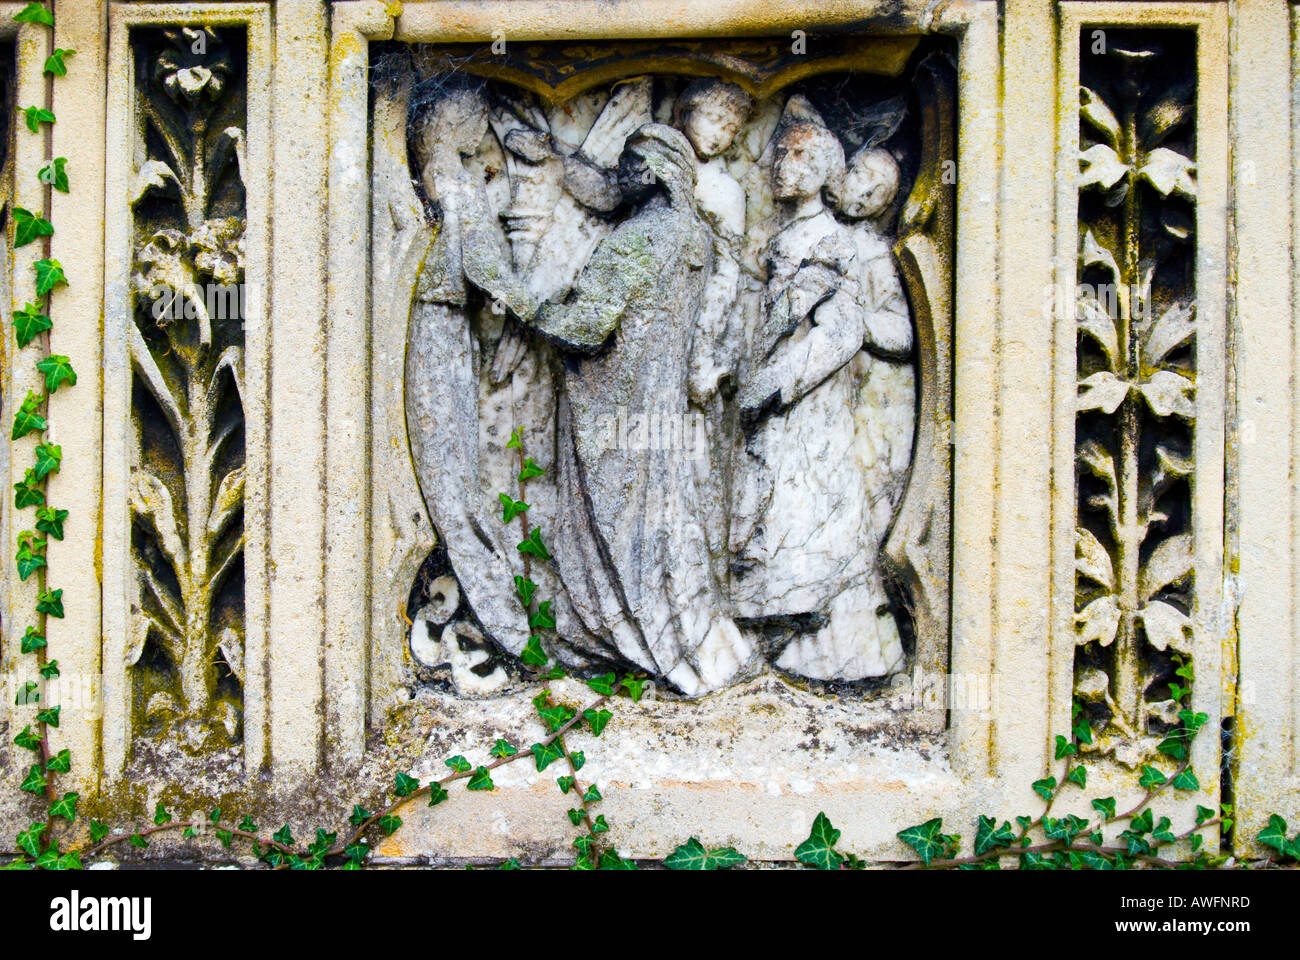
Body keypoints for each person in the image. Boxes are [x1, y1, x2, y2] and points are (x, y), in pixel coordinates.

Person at [521, 123, 750, 695]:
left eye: (628, 160)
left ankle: (624, 640)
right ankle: (691, 638)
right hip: (663, 414)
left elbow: (586, 326)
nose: (618, 171)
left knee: (617, 529)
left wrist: (516, 296)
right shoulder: (693, 237)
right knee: (668, 528)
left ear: (652, 169)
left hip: (621, 413)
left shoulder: (639, 237)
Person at [732, 98, 912, 681]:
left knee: (807, 511)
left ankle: (838, 652)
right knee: (780, 509)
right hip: (785, 400)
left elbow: (840, 335)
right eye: (780, 154)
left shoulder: (834, 245)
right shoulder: (788, 236)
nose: (780, 165)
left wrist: (773, 386)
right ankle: (793, 645)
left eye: (795, 157)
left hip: (809, 403)